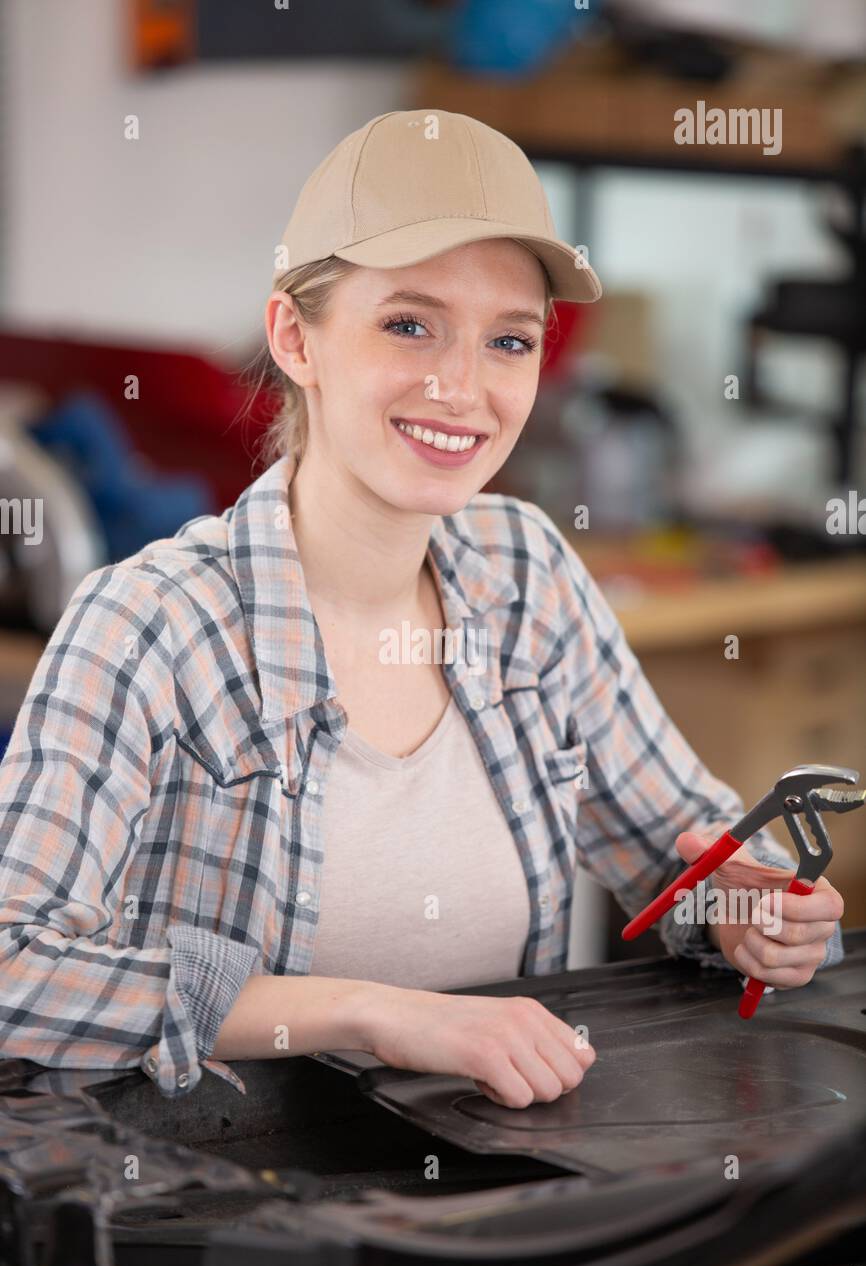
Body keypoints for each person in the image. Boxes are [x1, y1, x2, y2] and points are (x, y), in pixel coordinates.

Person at [0, 110, 844, 1110]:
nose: (460, 388)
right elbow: (16, 972)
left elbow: (678, 843)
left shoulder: (525, 572)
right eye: (409, 324)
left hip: (501, 1190)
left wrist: (744, 901)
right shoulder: (149, 624)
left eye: (508, 341)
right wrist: (372, 1012)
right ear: (293, 338)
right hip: (225, 1220)